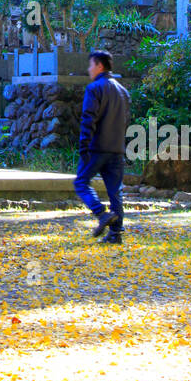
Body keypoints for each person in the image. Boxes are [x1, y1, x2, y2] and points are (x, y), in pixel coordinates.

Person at [74, 49, 130, 245]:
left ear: (99, 65)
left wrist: (84, 146)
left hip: (97, 147)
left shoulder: (94, 88)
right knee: (115, 191)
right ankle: (115, 234)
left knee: (81, 182)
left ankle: (100, 213)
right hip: (117, 147)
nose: (88, 69)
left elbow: (89, 119)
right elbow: (126, 121)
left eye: (90, 64)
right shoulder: (123, 91)